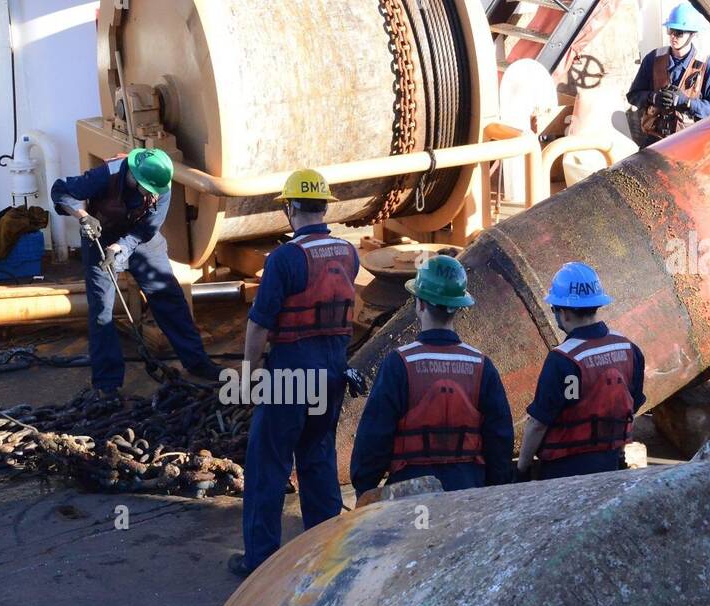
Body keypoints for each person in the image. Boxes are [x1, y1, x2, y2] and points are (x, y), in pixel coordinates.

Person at [229, 169, 356, 578]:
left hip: (290, 377)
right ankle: (326, 556)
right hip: (332, 374)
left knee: (269, 465)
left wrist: (249, 376)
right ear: (324, 207)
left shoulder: (284, 259)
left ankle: (261, 563)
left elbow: (259, 326)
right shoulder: (347, 253)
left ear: (289, 209)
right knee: (318, 462)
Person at [52, 148, 220, 394]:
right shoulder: (103, 176)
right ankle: (107, 383)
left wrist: (121, 247)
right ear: (134, 176)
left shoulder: (161, 184)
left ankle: (197, 362)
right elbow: (60, 191)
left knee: (168, 296)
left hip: (141, 238)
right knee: (102, 310)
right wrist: (83, 217)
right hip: (99, 234)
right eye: (147, 190)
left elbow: (148, 228)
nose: (152, 195)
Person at [349, 255, 513, 500]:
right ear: (459, 307)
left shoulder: (399, 364)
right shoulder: (481, 365)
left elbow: (374, 437)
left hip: (411, 493)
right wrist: (490, 486)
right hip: (468, 490)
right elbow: (500, 438)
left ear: (420, 304)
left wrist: (365, 485)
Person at [516, 262, 646, 481]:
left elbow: (538, 423)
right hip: (610, 463)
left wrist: (521, 469)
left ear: (563, 312)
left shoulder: (562, 359)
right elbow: (633, 402)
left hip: (564, 470)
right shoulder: (628, 349)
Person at [627, 2, 710, 146]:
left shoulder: (707, 64)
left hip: (690, 141)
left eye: (679, 32)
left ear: (692, 34)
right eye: (670, 30)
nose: (673, 36)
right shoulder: (653, 58)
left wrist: (686, 103)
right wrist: (653, 97)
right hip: (655, 139)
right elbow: (633, 95)